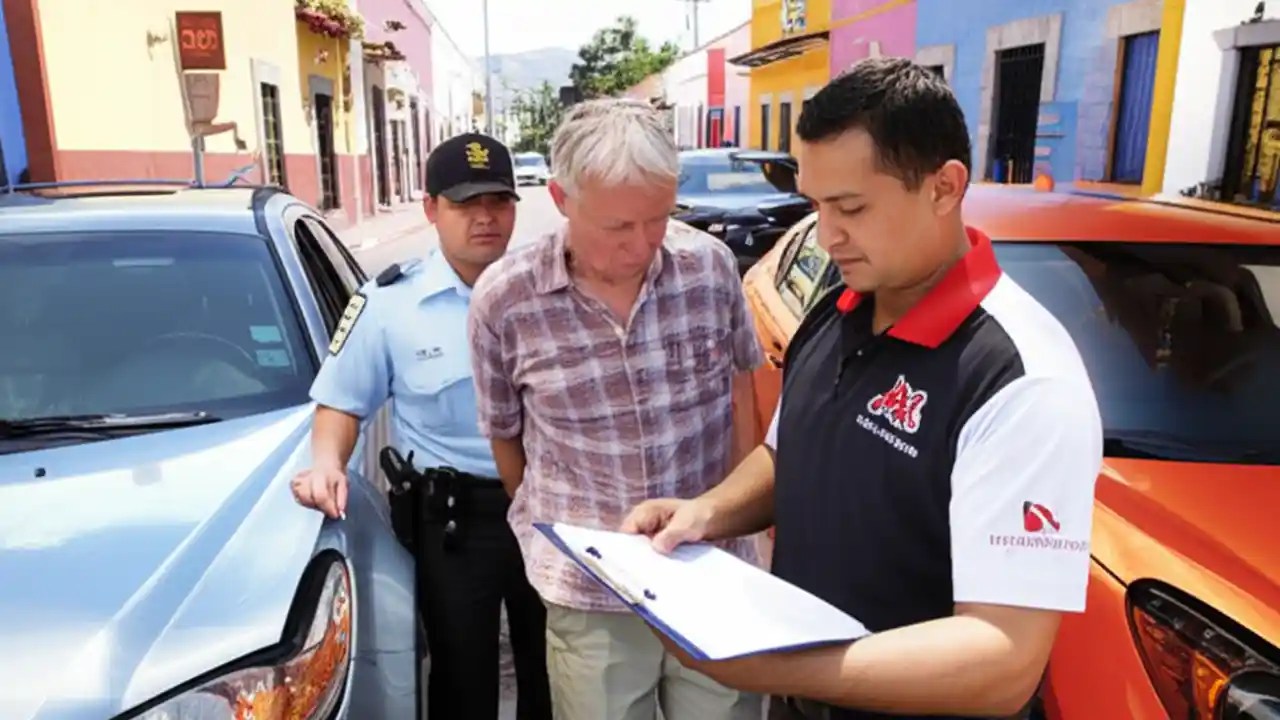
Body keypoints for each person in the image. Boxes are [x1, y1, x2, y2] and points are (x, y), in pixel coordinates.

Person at [621, 57, 1104, 720]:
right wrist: (705, 513)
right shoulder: (839, 305)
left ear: (944, 187)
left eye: (850, 207)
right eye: (816, 205)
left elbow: (1004, 660)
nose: (826, 233)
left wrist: (775, 665)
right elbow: (789, 452)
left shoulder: (1020, 378)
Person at [467, 98, 765, 720]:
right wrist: (557, 528)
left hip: (711, 570)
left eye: (658, 217)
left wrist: (740, 520)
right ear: (561, 198)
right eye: (617, 226)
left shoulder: (709, 269)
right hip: (587, 589)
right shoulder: (506, 299)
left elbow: (742, 398)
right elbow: (504, 436)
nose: (643, 243)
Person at [290, 132, 553, 720]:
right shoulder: (390, 303)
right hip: (455, 521)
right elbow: (341, 403)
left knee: (556, 671)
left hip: (548, 508)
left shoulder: (550, 293)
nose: (485, 218)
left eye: (498, 201)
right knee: (460, 677)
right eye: (465, 204)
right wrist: (327, 463)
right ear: (431, 209)